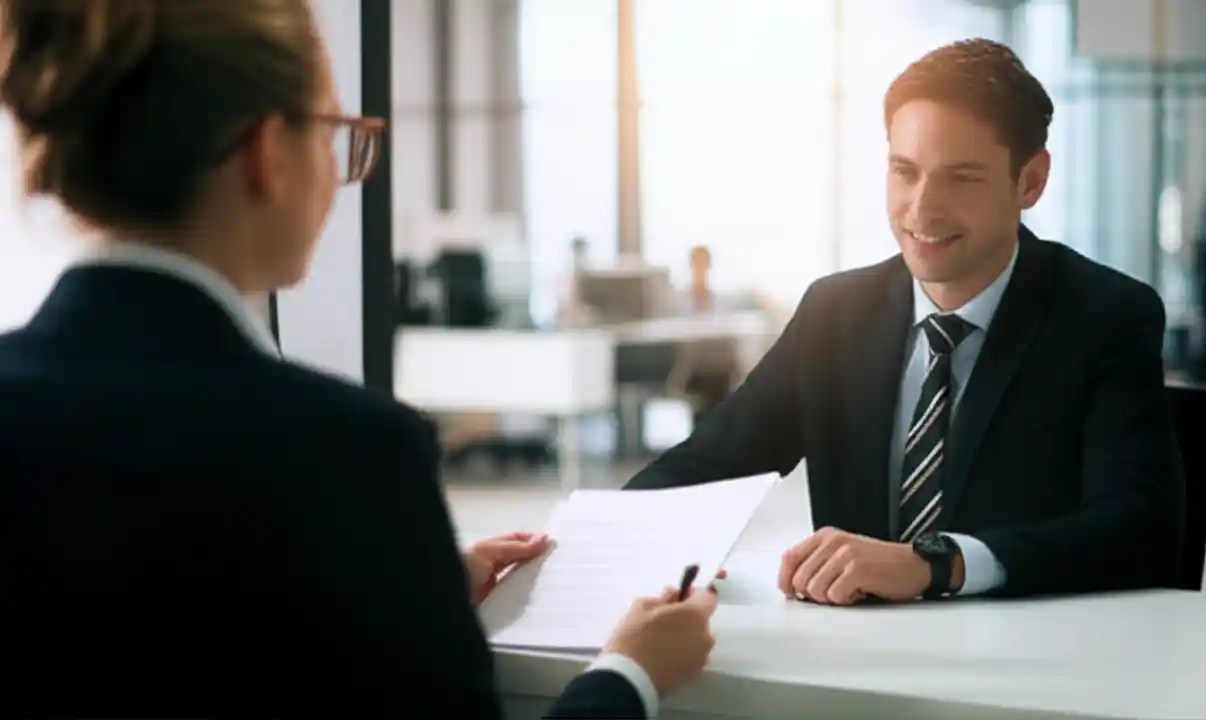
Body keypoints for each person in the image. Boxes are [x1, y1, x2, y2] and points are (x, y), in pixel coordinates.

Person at [0, 2, 716, 718]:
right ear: (265, 153)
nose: (345, 175)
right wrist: (630, 673)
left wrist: (406, 587)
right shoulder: (346, 454)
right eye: (337, 137)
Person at [627, 38, 1185, 605]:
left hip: (1035, 660)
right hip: (861, 657)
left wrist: (937, 566)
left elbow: (1140, 529)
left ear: (1031, 181)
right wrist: (588, 541)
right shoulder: (835, 313)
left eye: (961, 178)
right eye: (905, 171)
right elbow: (712, 461)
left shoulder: (1104, 315)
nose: (922, 208)